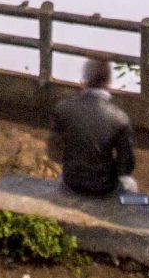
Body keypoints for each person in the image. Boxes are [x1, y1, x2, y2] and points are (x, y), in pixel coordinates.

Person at [46, 57, 133, 198]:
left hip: (71, 182)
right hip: (104, 187)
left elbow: (54, 153)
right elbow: (126, 166)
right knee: (130, 185)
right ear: (109, 82)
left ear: (84, 79)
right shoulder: (120, 118)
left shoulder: (63, 109)